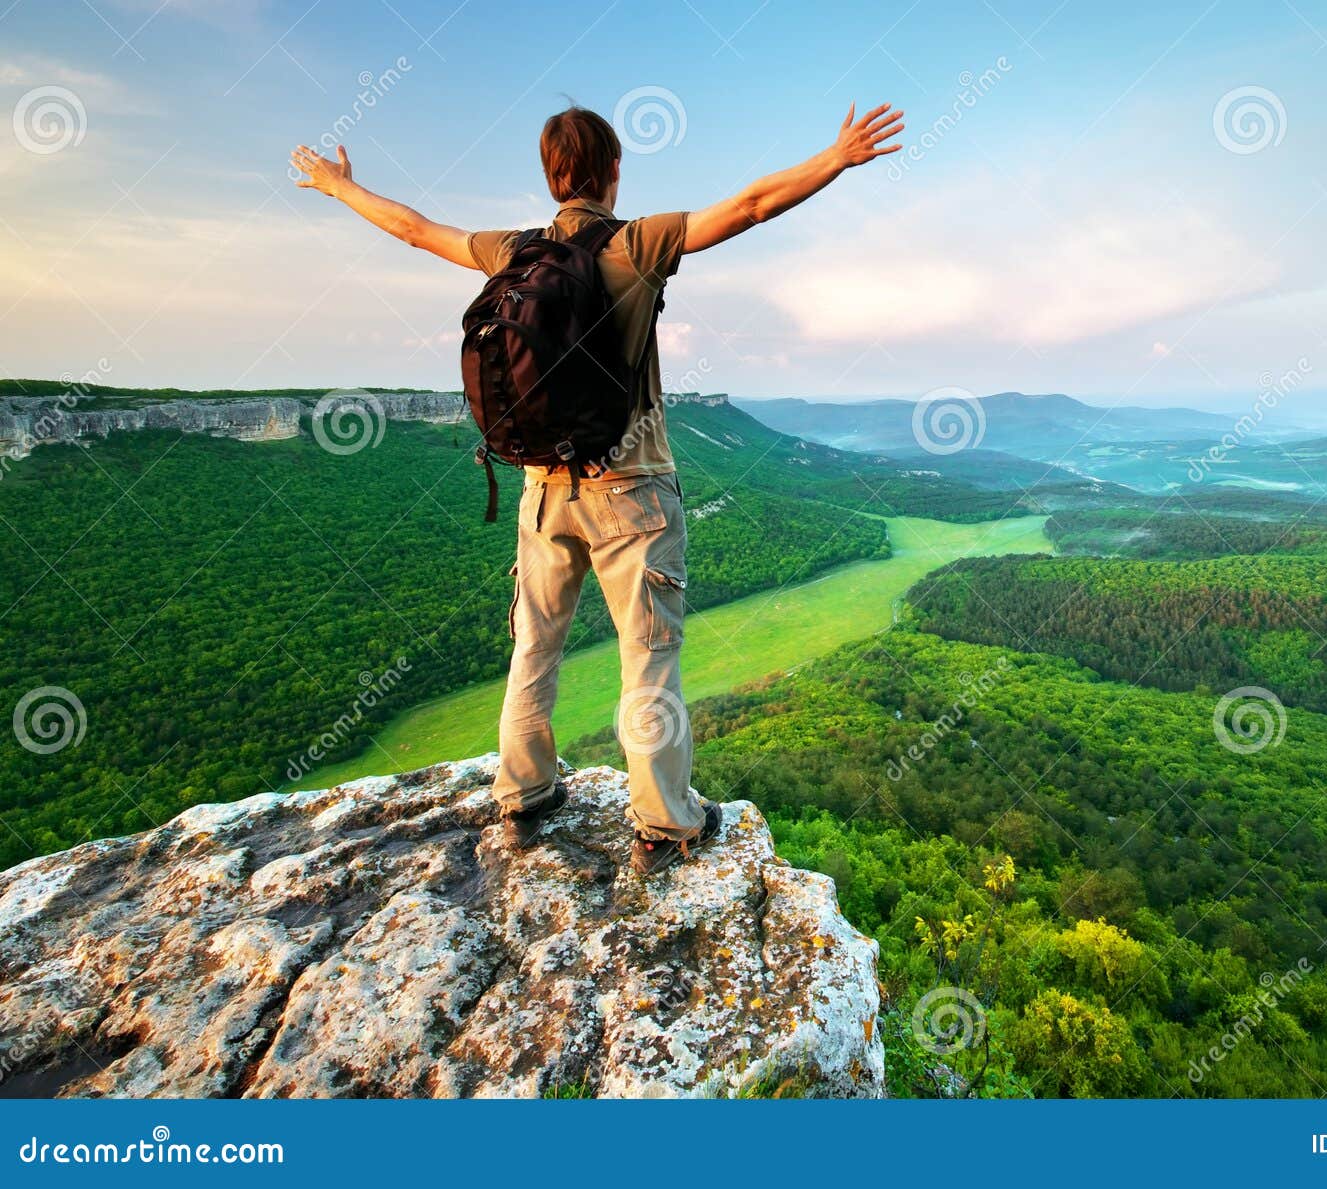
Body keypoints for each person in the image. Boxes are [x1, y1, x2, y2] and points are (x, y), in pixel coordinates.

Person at [289, 101, 903, 873]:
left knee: (534, 646)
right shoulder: (637, 244)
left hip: (542, 492)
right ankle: (663, 822)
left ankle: (524, 795)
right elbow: (750, 206)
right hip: (633, 491)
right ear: (614, 170)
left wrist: (338, 186)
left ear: (551, 175)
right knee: (648, 657)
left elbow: (414, 229)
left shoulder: (513, 252)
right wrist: (836, 157)